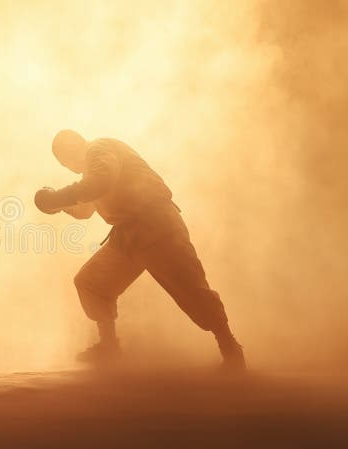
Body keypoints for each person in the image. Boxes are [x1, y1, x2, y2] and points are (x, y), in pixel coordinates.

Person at [35, 130, 245, 370]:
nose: (67, 166)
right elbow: (84, 209)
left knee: (191, 289)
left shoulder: (99, 149)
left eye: (64, 160)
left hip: (156, 224)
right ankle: (109, 347)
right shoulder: (89, 172)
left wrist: (55, 199)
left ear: (72, 148)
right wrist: (56, 206)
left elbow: (99, 183)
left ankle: (230, 347)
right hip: (127, 235)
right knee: (91, 282)